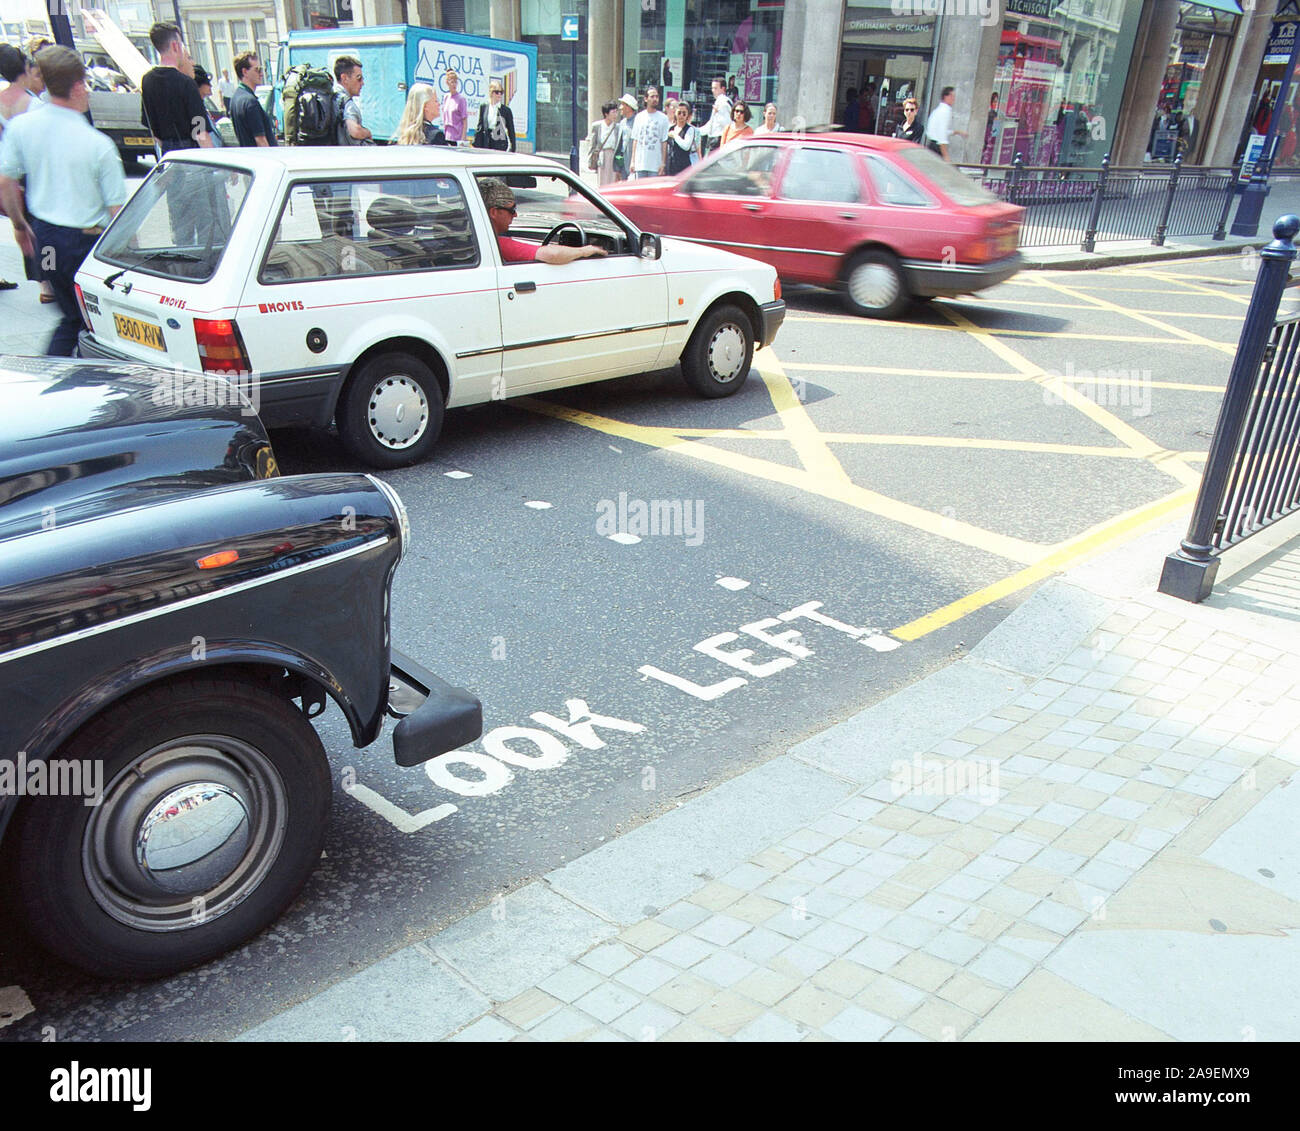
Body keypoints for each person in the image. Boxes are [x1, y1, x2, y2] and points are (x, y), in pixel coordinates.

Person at [0, 47, 125, 355]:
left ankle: (57, 373)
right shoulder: (98, 145)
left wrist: (19, 225)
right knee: (85, 319)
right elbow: (117, 213)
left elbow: (6, 181)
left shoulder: (21, 127)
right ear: (78, 86)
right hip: (83, 244)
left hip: (45, 240)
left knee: (69, 312)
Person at [478, 178, 606, 265]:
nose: (516, 214)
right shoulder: (497, 245)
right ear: (494, 212)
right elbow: (552, 254)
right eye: (512, 210)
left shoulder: (475, 241)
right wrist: (584, 251)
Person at [140, 22, 212, 154]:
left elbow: (152, 127)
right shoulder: (186, 83)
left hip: (168, 154)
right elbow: (200, 131)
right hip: (191, 153)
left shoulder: (147, 81)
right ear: (175, 46)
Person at [228, 51, 276, 147]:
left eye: (261, 69)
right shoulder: (250, 102)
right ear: (245, 72)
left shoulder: (235, 98)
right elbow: (261, 140)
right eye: (257, 69)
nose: (261, 74)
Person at [629, 85, 670, 178]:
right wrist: (633, 161)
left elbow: (664, 142)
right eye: (652, 96)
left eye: (657, 96)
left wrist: (663, 163)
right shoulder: (639, 117)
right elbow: (635, 140)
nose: (655, 99)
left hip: (655, 165)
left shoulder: (663, 118)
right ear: (646, 99)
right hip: (641, 164)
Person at [334, 55, 371, 144]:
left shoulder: (333, 96)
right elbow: (355, 130)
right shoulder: (347, 103)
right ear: (344, 78)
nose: (362, 83)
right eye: (359, 78)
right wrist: (367, 133)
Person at [473, 78, 515, 151]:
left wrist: (513, 148)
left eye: (501, 92)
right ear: (491, 93)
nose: (499, 94)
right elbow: (480, 126)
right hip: (486, 142)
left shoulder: (505, 110)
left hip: (500, 143)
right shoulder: (484, 107)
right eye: (497, 92)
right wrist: (476, 143)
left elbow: (511, 131)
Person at [925, 85, 965, 160]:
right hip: (937, 148)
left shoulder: (938, 110)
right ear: (946, 96)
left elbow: (940, 131)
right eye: (951, 96)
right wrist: (945, 155)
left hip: (933, 146)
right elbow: (941, 134)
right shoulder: (945, 111)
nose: (953, 98)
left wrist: (957, 132)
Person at [587, 100, 621, 186]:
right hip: (602, 156)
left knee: (613, 181)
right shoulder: (597, 126)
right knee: (602, 181)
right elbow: (593, 144)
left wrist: (620, 163)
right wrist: (590, 160)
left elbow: (620, 147)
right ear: (606, 114)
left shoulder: (618, 127)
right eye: (613, 112)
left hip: (613, 155)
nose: (615, 114)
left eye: (616, 112)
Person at [192, 65, 224, 146]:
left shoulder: (202, 106)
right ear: (198, 85)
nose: (210, 86)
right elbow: (201, 137)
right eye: (206, 83)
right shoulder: (196, 109)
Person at [665, 102, 699, 175]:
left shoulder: (689, 129)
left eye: (684, 113)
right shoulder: (671, 128)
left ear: (687, 115)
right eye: (679, 113)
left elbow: (686, 146)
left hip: (684, 167)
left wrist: (675, 135)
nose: (681, 116)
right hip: (671, 165)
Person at [703, 77, 731, 155]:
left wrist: (717, 114)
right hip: (716, 140)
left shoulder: (722, 103)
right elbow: (711, 123)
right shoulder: (723, 101)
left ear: (723, 89)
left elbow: (727, 124)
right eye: (712, 88)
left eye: (715, 88)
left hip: (718, 140)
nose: (713, 91)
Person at [441, 68, 468, 144]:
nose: (454, 84)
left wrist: (462, 140)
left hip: (457, 138)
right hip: (447, 136)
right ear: (447, 83)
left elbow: (465, 121)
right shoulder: (446, 97)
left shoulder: (461, 99)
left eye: (456, 82)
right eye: (452, 82)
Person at [614, 93, 637, 179]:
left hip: (633, 164)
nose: (620, 107)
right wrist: (618, 167)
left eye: (622, 105)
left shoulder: (637, 122)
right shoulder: (622, 123)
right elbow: (620, 146)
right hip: (622, 163)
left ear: (629, 107)